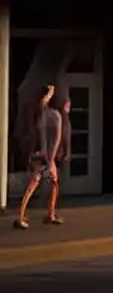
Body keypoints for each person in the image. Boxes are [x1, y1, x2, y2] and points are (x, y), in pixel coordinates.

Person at [14, 86, 68, 230]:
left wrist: (50, 92)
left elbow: (43, 103)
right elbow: (56, 139)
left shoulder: (44, 115)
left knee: (52, 184)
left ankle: (49, 214)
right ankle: (22, 217)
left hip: (42, 154)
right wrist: (50, 160)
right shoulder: (55, 116)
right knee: (36, 185)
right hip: (46, 156)